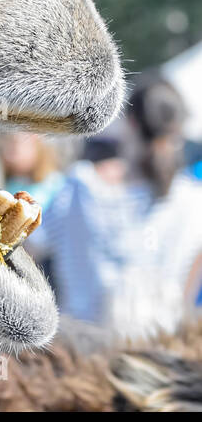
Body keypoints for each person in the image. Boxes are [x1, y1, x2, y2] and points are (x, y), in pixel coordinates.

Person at [30, 75, 202, 337]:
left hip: (81, 361)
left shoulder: (80, 187)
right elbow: (187, 298)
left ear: (130, 123)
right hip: (158, 360)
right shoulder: (193, 201)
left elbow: (30, 246)